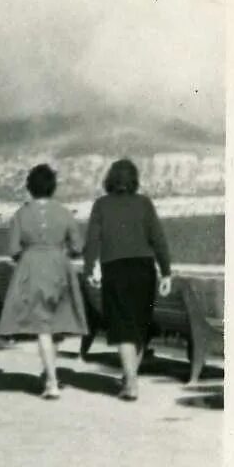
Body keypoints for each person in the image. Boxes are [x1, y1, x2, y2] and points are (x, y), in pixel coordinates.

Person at [82, 158, 173, 401]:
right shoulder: (144, 203)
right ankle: (130, 376)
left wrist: (90, 268)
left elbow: (92, 241)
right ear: (134, 180)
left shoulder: (101, 205)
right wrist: (166, 272)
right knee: (140, 326)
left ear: (110, 180)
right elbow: (159, 240)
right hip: (144, 270)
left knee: (123, 327)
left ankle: (130, 381)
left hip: (116, 269)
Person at [0, 164, 89, 399]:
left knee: (44, 327)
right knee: (52, 326)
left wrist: (30, 256)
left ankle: (52, 381)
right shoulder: (64, 212)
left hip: (33, 270)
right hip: (60, 269)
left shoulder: (21, 214)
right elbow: (78, 247)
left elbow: (13, 250)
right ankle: (50, 375)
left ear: (30, 188)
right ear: (53, 187)